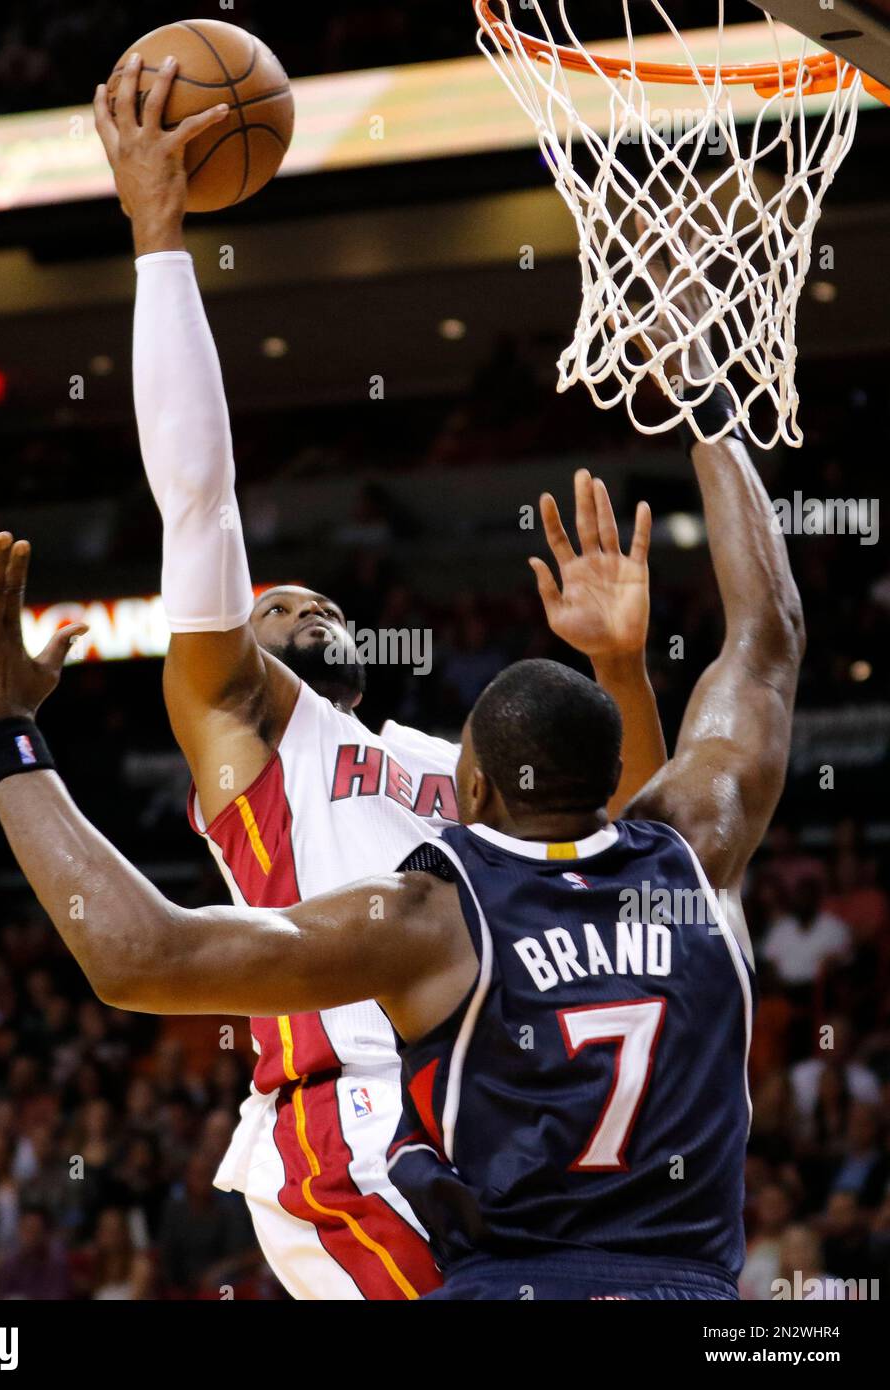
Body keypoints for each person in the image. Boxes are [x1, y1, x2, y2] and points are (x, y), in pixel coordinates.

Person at [0, 347, 802, 1294]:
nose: (304, 606)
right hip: (686, 1283)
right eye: (275, 609)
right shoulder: (691, 858)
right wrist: (710, 410)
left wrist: (3, 737)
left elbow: (139, 954)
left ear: (469, 797)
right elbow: (763, 645)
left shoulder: (436, 910)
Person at [89, 55, 666, 1299]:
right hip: (357, 1134)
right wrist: (158, 235)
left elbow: (649, 848)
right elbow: (199, 510)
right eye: (276, 604)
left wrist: (619, 667)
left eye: (324, 598)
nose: (308, 604)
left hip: (511, 1127)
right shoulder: (251, 731)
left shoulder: (447, 762)